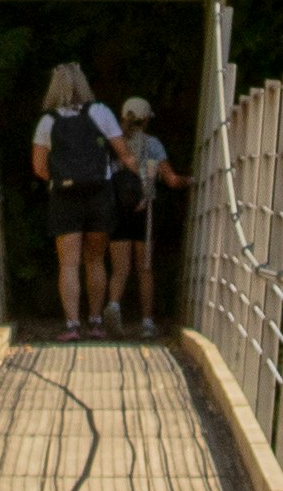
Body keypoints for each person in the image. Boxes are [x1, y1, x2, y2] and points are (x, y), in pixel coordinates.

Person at [31, 62, 117, 335]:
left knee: (68, 263)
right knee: (95, 259)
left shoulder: (48, 121)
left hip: (64, 196)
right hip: (98, 192)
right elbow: (123, 151)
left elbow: (39, 167)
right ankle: (95, 322)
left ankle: (71, 325)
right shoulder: (100, 112)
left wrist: (62, 178)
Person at [108, 97, 185, 335]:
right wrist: (192, 180)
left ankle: (113, 307)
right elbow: (171, 180)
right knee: (145, 269)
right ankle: (147, 323)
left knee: (120, 268)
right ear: (147, 119)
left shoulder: (115, 145)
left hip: (118, 210)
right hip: (146, 212)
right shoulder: (153, 144)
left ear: (123, 118)